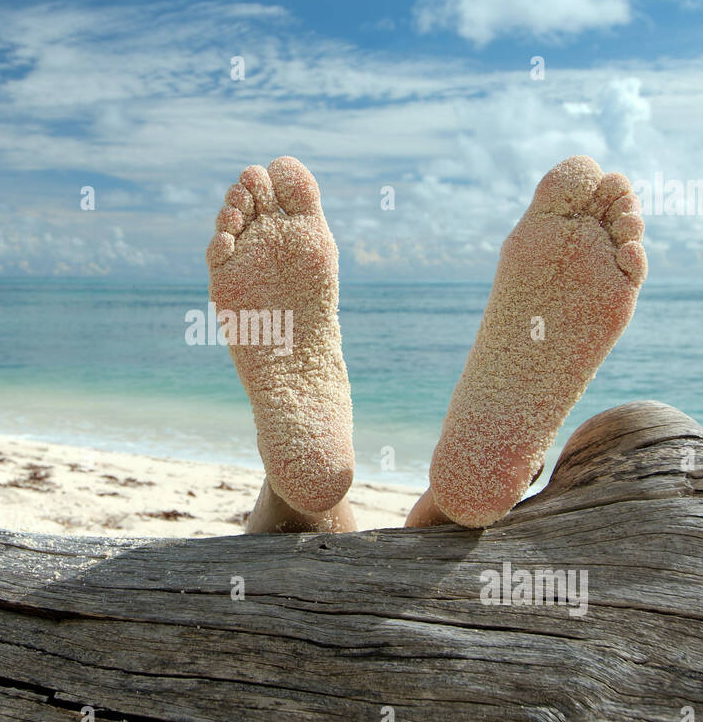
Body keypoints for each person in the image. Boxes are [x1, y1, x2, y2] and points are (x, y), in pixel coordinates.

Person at [205, 155, 647, 534]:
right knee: (448, 520)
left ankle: (298, 481)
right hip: (446, 609)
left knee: (302, 513)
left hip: (291, 604)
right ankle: (457, 493)